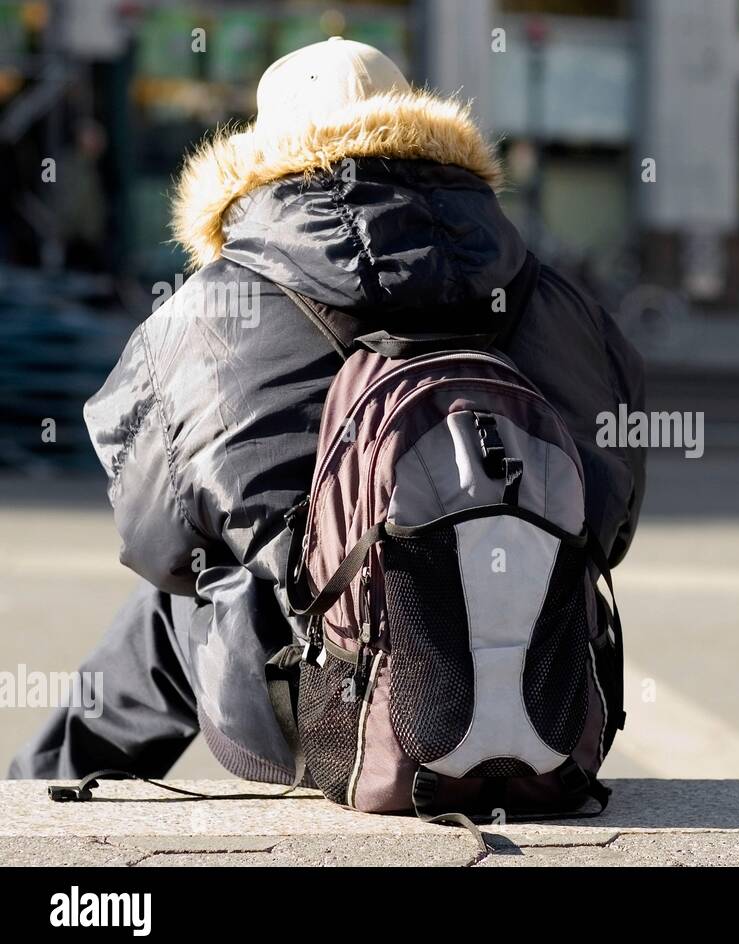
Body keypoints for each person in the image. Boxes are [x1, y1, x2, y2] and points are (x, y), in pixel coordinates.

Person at [9, 38, 647, 782]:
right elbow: (612, 519)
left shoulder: (206, 313)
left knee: (169, 612)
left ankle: (31, 806)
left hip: (330, 717)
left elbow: (156, 543)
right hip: (553, 702)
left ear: (263, 150)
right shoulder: (559, 299)